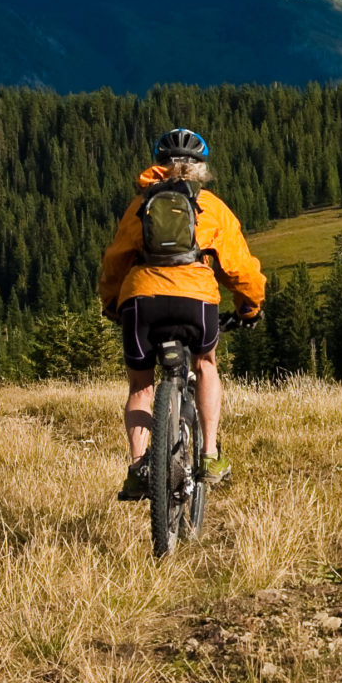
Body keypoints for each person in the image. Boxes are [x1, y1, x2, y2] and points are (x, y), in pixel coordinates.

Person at [99, 127, 265, 500]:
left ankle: (140, 466)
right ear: (200, 169)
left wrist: (111, 303)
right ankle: (209, 457)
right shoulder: (213, 208)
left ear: (159, 165)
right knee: (205, 364)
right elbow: (240, 268)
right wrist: (250, 306)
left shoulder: (139, 206)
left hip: (142, 301)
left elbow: (114, 262)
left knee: (141, 387)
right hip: (196, 300)